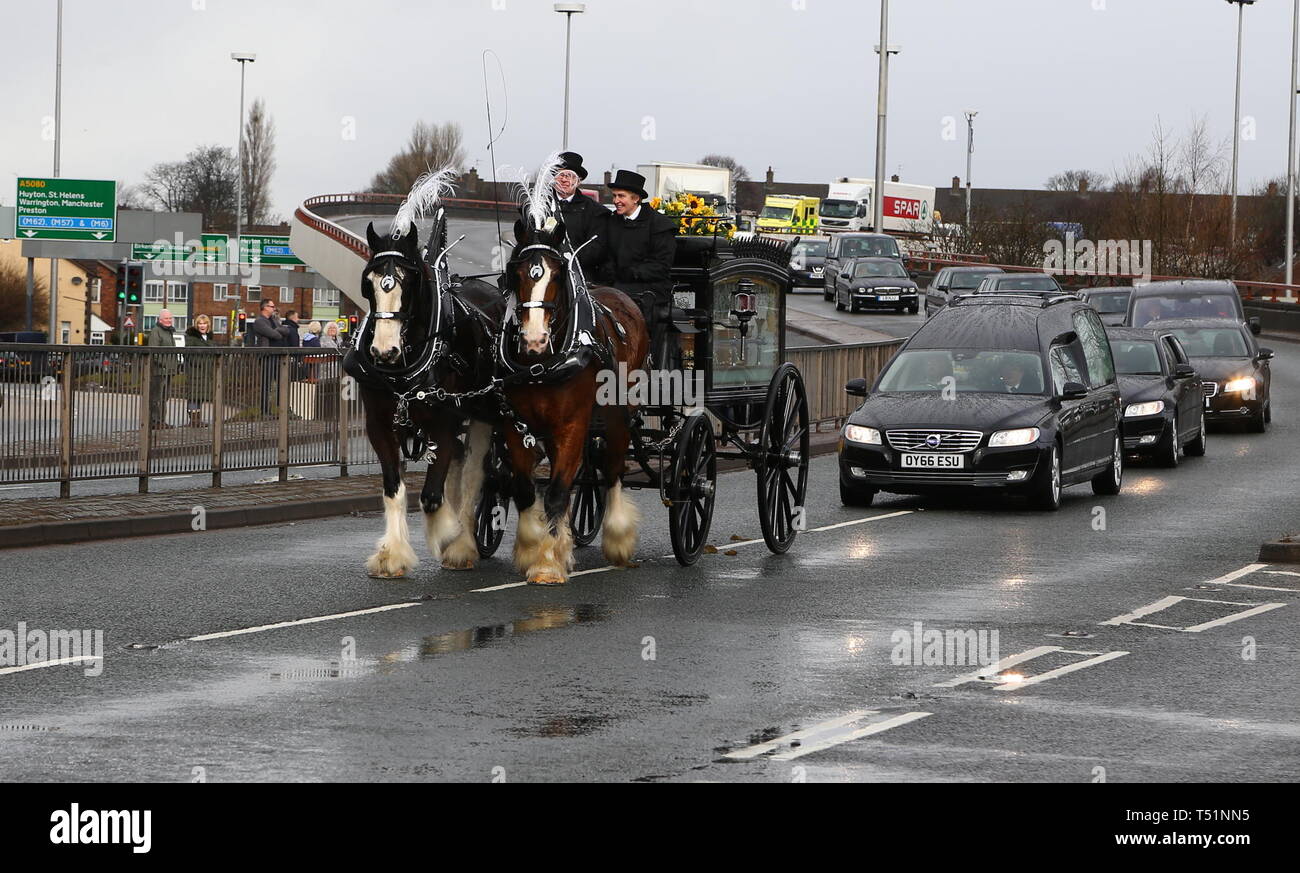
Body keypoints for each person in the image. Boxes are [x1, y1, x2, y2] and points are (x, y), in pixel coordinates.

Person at [599, 169, 677, 359]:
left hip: (649, 290)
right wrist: (609, 271)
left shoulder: (660, 224)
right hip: (616, 286)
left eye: (621, 196)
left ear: (636, 199)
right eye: (615, 195)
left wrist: (630, 273)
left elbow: (661, 265)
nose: (616, 200)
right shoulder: (612, 222)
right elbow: (606, 254)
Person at [553, 151, 608, 275]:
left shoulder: (595, 211)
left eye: (570, 176)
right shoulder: (540, 206)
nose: (564, 180)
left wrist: (569, 261)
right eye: (561, 175)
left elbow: (596, 247)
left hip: (579, 272)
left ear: (579, 181)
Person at [249, 299, 290, 416]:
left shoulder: (274, 320)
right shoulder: (259, 321)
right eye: (272, 306)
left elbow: (286, 331)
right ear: (265, 307)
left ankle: (281, 409)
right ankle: (265, 410)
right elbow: (275, 335)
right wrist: (277, 331)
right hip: (267, 356)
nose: (274, 309)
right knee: (266, 385)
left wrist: (277, 330)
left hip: (278, 356)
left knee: (281, 383)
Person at [146, 309, 180, 429]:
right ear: (160, 320)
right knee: (157, 397)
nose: (169, 320)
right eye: (166, 318)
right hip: (159, 371)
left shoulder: (168, 332)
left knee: (164, 397)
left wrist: (174, 366)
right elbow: (153, 351)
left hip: (168, 371)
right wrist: (163, 364)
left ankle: (161, 421)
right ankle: (155, 421)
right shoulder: (156, 331)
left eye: (170, 318)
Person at [183, 314, 214, 427]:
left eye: (204, 323)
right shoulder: (192, 338)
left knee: (200, 396)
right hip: (196, 372)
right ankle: (194, 420)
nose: (202, 326)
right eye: (200, 323)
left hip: (206, 372)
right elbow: (190, 355)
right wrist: (205, 362)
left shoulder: (209, 338)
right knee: (193, 396)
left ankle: (198, 420)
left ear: (208, 325)